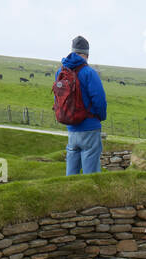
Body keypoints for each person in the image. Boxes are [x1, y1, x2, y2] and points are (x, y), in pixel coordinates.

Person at [56, 36, 108, 175]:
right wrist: (100, 117)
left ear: (73, 51)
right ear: (87, 54)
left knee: (71, 173)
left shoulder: (61, 72)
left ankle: (69, 195)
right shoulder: (89, 72)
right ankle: (91, 196)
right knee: (91, 175)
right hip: (90, 127)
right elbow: (99, 100)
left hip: (71, 128)